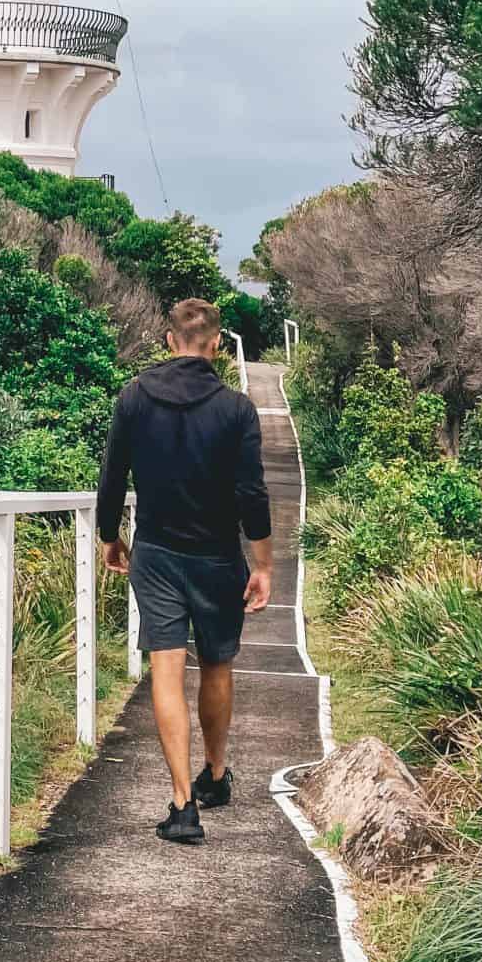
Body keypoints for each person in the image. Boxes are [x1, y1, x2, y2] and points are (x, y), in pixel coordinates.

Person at [95, 297, 273, 844]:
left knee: (166, 669)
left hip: (157, 554)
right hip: (219, 556)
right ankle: (216, 775)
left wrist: (109, 536)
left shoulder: (133, 398)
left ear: (168, 341)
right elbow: (252, 493)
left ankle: (183, 805)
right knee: (217, 666)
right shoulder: (237, 409)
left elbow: (111, 476)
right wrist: (263, 564)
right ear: (216, 346)